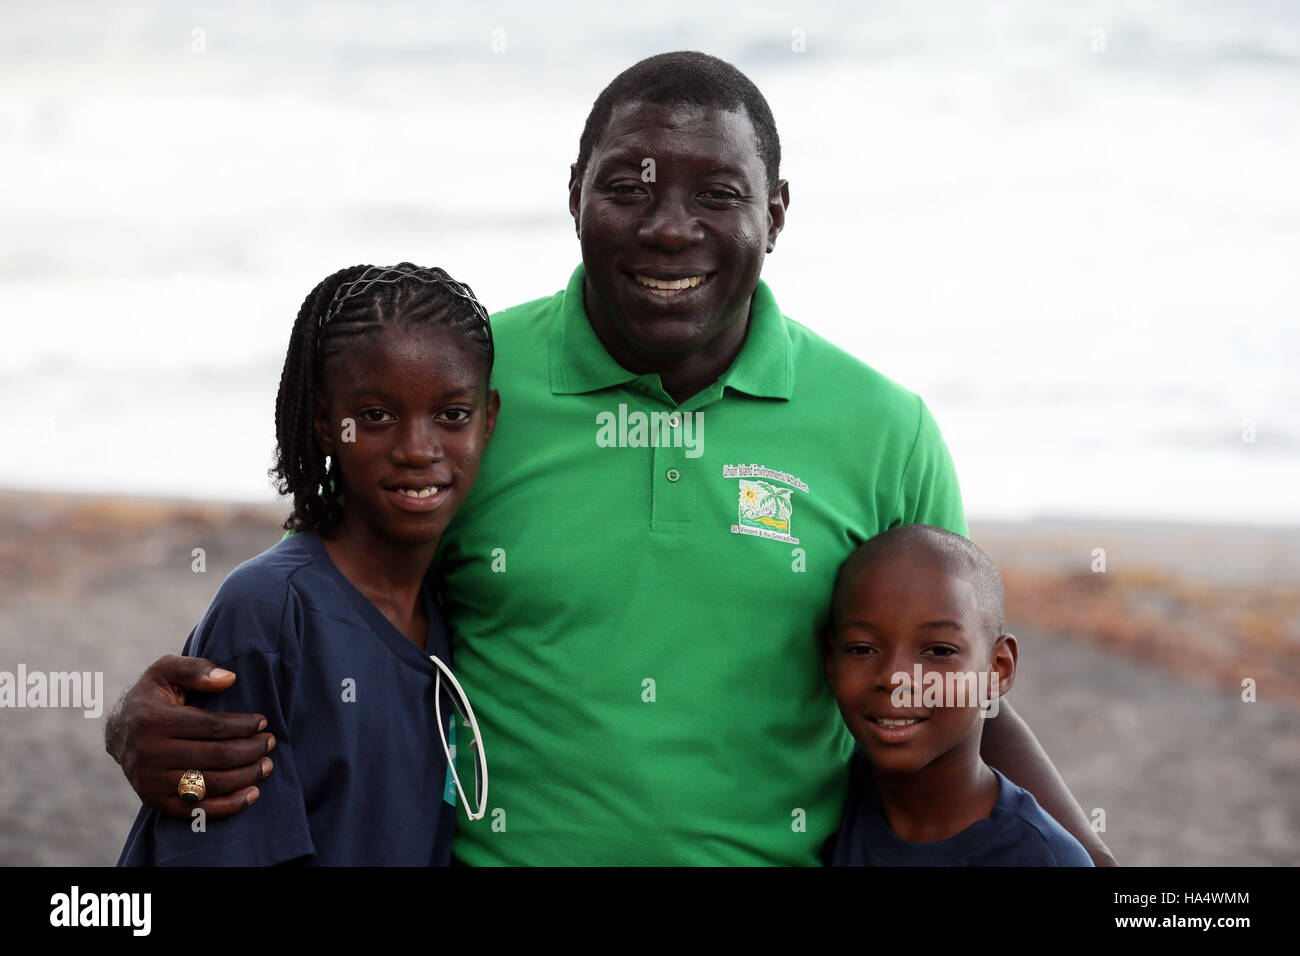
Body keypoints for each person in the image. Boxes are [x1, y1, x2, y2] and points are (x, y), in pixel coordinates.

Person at [106, 52, 1115, 866]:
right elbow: (320, 606)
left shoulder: (884, 428)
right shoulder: (465, 393)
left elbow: (958, 688)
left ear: (776, 211)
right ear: (574, 195)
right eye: (628, 184)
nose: (669, 226)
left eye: (717, 191)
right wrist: (134, 722)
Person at [117, 263, 499, 864]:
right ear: (326, 423)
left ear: (489, 419)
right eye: (376, 416)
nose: (419, 450)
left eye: (452, 415)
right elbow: (201, 803)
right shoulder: (271, 610)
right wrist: (168, 773)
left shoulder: (447, 612)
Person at [822, 524, 1093, 866]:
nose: (894, 678)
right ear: (830, 663)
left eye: (938, 650)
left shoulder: (1041, 858)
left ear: (998, 669)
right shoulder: (824, 805)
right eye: (862, 649)